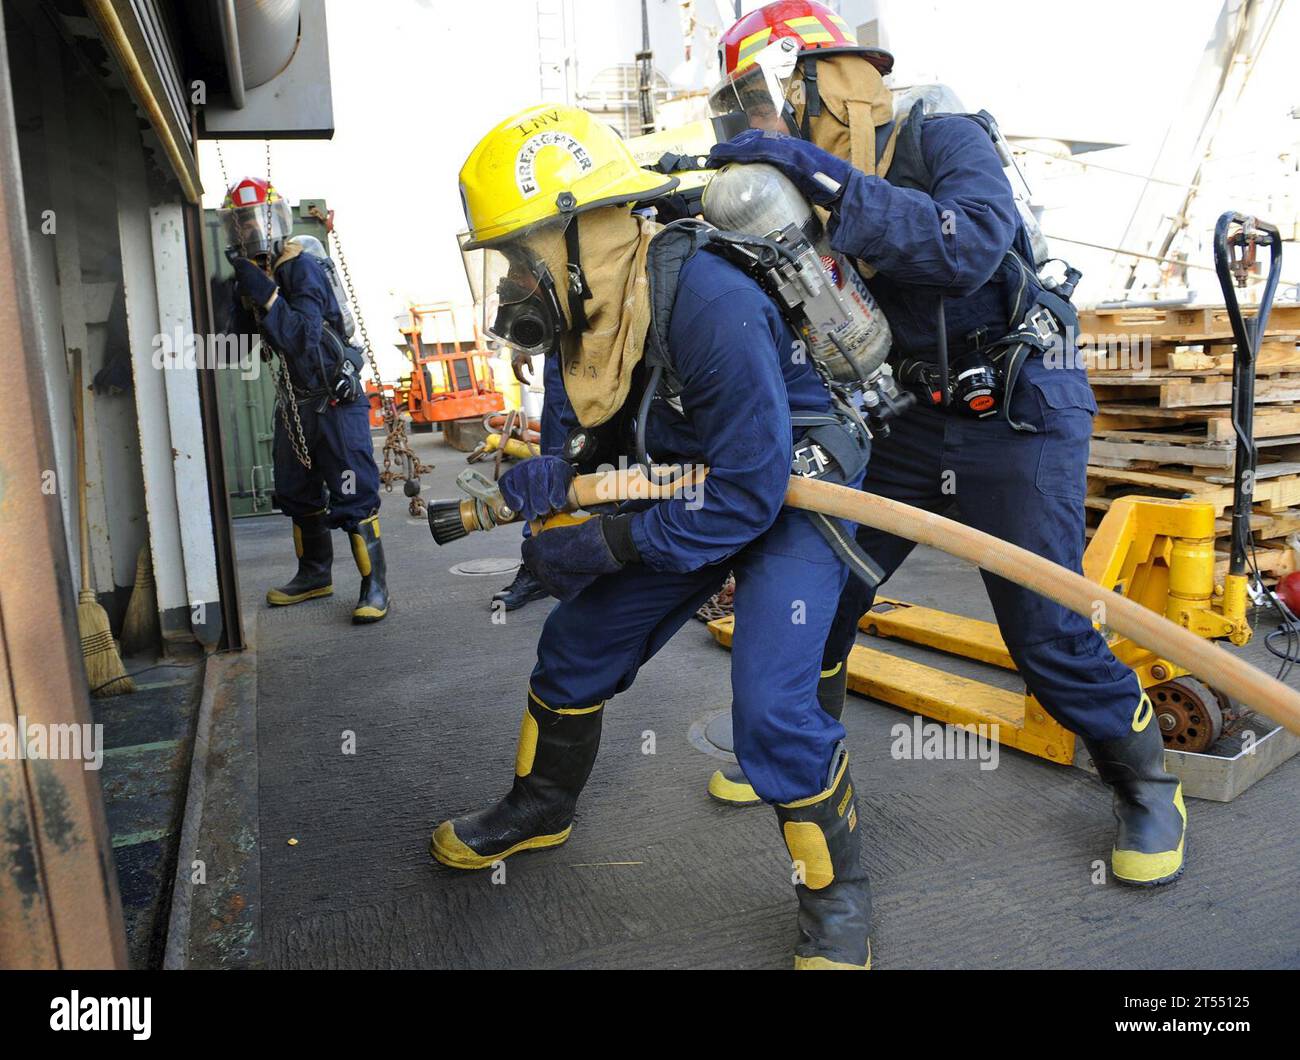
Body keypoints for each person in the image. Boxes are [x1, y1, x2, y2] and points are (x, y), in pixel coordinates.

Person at [702, 0, 1187, 888]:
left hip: (1014, 402)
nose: (754, 127)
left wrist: (809, 170)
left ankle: (1149, 783)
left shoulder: (942, 129)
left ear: (813, 84)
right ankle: (799, 752)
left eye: (760, 103)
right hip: (905, 414)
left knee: (1044, 628)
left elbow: (963, 250)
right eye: (739, 112)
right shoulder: (793, 186)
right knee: (825, 584)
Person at [432, 102, 876, 968]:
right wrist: (552, 480)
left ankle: (838, 897)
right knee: (576, 645)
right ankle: (541, 809)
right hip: (688, 480)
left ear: (580, 229)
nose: (513, 281)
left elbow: (750, 489)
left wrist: (610, 545)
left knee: (772, 706)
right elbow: (587, 440)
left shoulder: (706, 297)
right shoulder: (585, 313)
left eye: (519, 254)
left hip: (792, 484)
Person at [222, 177, 390, 624]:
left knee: (352, 492)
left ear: (273, 221)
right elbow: (235, 350)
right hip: (296, 402)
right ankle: (314, 574)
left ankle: (375, 586)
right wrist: (239, 298)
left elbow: (302, 339)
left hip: (336, 399)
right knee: (297, 491)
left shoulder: (300, 267)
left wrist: (267, 294)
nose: (247, 232)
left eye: (253, 221)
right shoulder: (252, 275)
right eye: (238, 224)